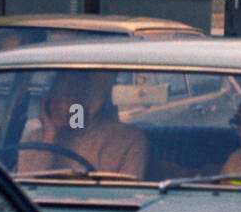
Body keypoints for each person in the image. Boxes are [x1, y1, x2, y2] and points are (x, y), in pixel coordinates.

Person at [16, 71, 148, 178]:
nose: (57, 104)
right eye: (54, 94)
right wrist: (49, 138)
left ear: (93, 104)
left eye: (69, 97)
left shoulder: (127, 140)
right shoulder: (34, 139)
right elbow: (23, 192)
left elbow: (126, 197)